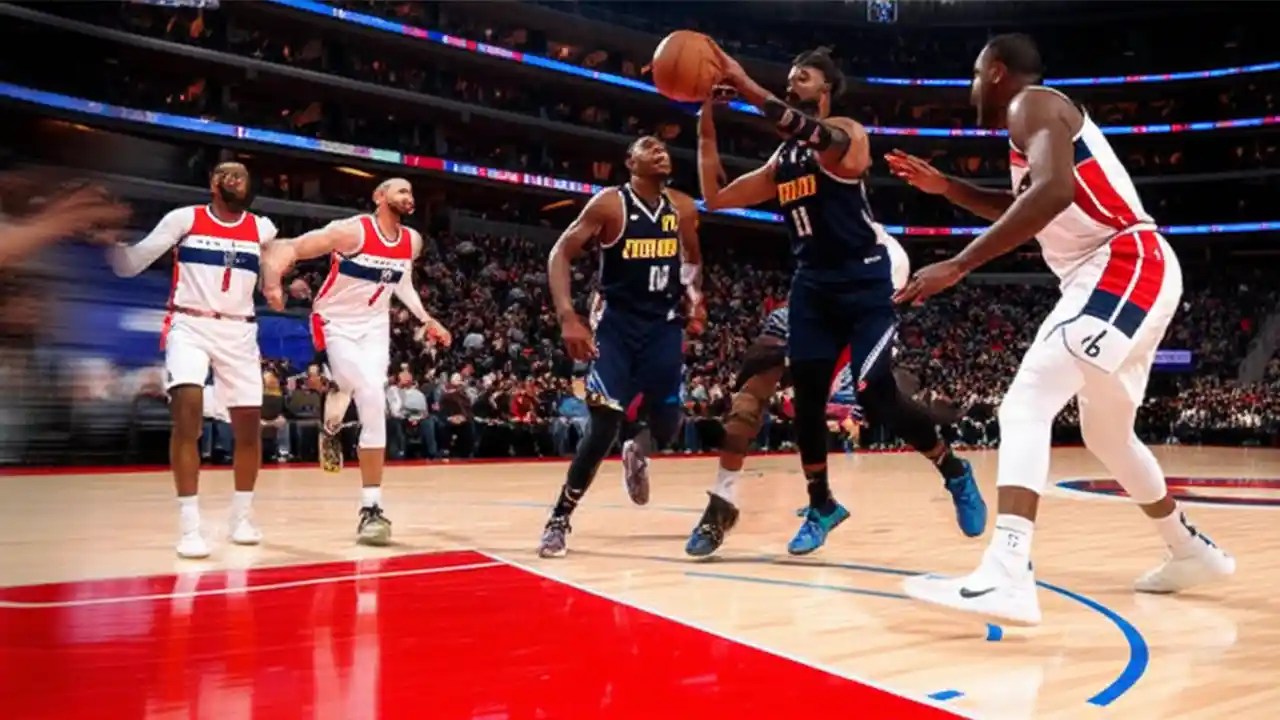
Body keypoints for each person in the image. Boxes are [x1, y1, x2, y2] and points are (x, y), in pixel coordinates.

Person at [889, 34, 1234, 626]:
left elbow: (1054, 192)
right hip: (1112, 272)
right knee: (1108, 436)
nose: (971, 89)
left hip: (1122, 262)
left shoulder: (1032, 104)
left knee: (1025, 404)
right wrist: (947, 188)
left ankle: (1007, 570)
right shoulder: (1033, 131)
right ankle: (1189, 550)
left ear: (997, 72)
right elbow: (1026, 202)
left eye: (974, 75)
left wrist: (960, 264)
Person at [699, 46, 987, 556]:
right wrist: (705, 121)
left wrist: (743, 83)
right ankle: (822, 504)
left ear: (826, 89)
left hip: (865, 282)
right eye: (790, 77)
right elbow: (717, 198)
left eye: (804, 76)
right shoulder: (784, 160)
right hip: (812, 286)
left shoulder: (848, 135)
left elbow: (807, 130)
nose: (793, 82)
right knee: (807, 402)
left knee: (874, 392)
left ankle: (953, 468)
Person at [686, 226, 974, 556]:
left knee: (875, 400)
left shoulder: (883, 280)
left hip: (856, 309)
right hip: (816, 299)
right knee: (747, 404)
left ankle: (951, 470)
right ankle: (723, 501)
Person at [538, 135, 706, 558]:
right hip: (616, 324)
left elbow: (692, 260)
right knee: (603, 424)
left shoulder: (683, 207)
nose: (661, 151)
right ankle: (559, 518)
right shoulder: (610, 204)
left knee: (669, 423)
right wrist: (568, 316)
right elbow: (560, 253)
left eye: (664, 147)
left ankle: (637, 445)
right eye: (649, 147)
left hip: (664, 325)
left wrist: (694, 297)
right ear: (630, 162)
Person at [261, 177, 451, 546]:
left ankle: (368, 502)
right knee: (363, 389)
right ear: (379, 197)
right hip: (335, 321)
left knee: (370, 396)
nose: (408, 196)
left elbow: (402, 283)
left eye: (412, 191)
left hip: (374, 325)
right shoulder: (352, 232)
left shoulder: (411, 241)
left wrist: (426, 318)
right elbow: (295, 247)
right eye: (400, 190)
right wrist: (273, 274)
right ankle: (339, 434)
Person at [107, 162, 272, 559]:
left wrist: (277, 283)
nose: (236, 180)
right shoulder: (185, 219)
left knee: (249, 429)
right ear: (213, 183)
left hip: (240, 331)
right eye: (228, 174)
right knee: (188, 416)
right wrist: (110, 247)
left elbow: (277, 261)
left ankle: (241, 518)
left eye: (243, 176)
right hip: (190, 324)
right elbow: (133, 263)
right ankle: (190, 526)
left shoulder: (262, 228)